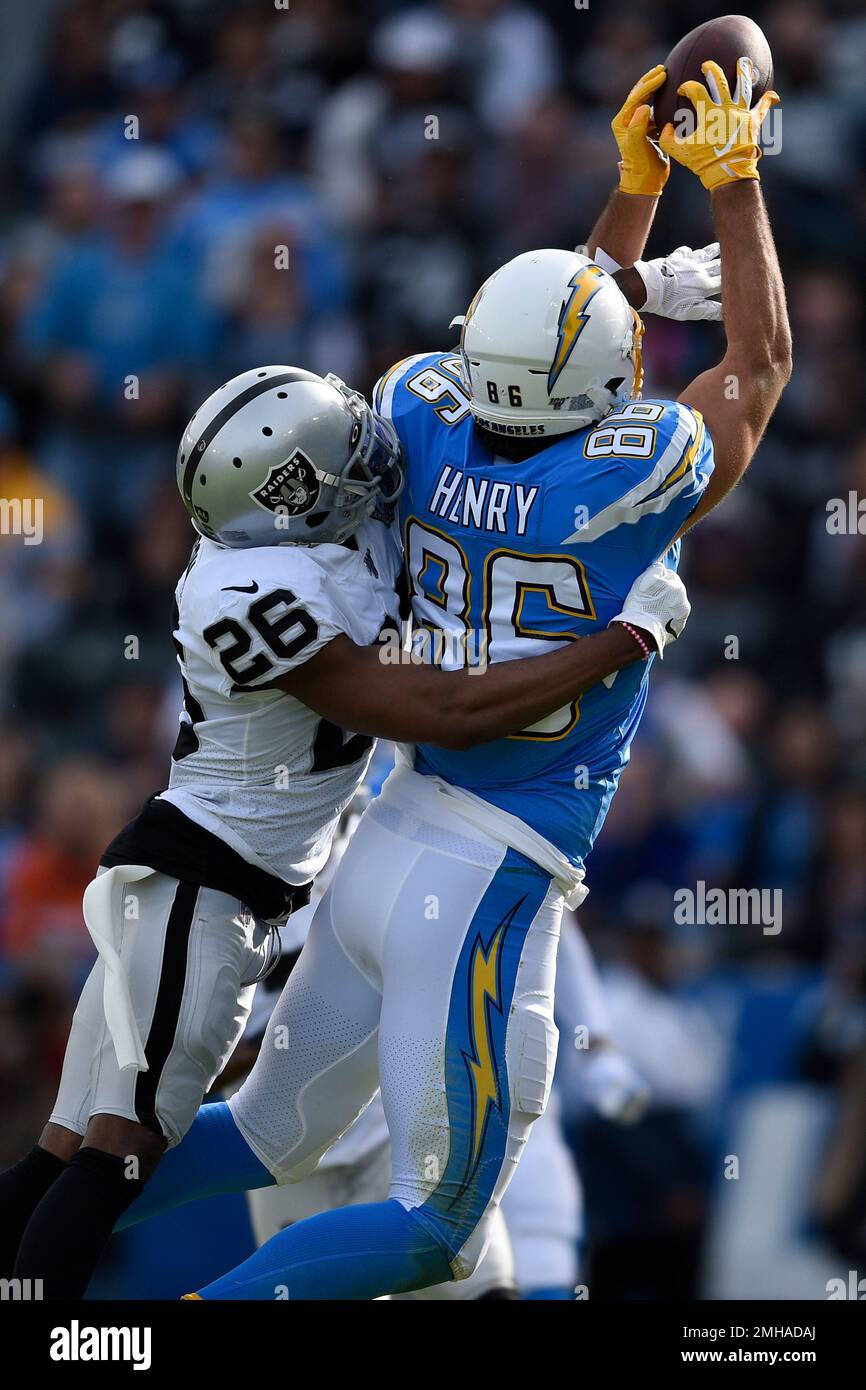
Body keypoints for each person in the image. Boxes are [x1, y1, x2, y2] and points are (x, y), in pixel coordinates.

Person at [101, 57, 790, 1302]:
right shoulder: (619, 479)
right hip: (488, 864)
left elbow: (562, 334)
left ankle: (42, 1209)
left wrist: (634, 193)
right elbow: (759, 360)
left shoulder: (417, 408)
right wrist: (731, 183)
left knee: (263, 1135)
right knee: (438, 1234)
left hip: (389, 837)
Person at [1, 364, 688, 1298]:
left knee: (71, 1154)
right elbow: (438, 709)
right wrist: (624, 641)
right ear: (290, 494)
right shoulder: (250, 589)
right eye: (339, 453)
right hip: (199, 890)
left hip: (230, 889)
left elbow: (518, 378)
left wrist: (624, 282)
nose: (369, 455)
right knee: (115, 1154)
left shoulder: (327, 528)